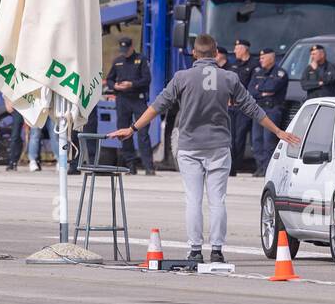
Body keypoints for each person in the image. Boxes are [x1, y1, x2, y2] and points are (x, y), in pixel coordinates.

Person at [108, 33, 302, 264]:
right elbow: (253, 108)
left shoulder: (182, 77)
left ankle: (195, 250)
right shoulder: (229, 77)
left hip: (190, 147)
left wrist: (132, 128)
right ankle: (217, 250)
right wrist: (278, 131)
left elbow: (157, 106)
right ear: (216, 52)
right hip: (219, 147)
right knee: (217, 200)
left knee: (193, 200)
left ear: (194, 54)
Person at [105, 36, 154, 175]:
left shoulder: (141, 60)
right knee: (123, 132)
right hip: (122, 99)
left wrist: (132, 84)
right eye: (122, 50)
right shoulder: (118, 62)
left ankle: (148, 166)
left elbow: (147, 79)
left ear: (132, 47)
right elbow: (109, 79)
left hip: (137, 99)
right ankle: (130, 165)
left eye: (126, 49)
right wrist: (114, 86)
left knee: (142, 132)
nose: (124, 52)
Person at [248, 47, 289, 176]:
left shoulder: (280, 73)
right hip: (258, 109)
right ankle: (260, 167)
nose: (260, 60)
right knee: (256, 140)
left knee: (268, 141)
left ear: (271, 58)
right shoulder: (258, 72)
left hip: (272, 110)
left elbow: (272, 87)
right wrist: (263, 92)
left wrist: (259, 88)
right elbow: (251, 90)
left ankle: (268, 168)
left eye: (263, 58)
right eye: (260, 58)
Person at [227, 38, 260, 176]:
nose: (235, 51)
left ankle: (236, 165)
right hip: (231, 107)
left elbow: (253, 86)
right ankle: (230, 167)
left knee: (239, 138)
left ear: (244, 49)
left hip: (244, 107)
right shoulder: (234, 65)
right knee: (230, 137)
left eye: (237, 48)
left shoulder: (254, 65)